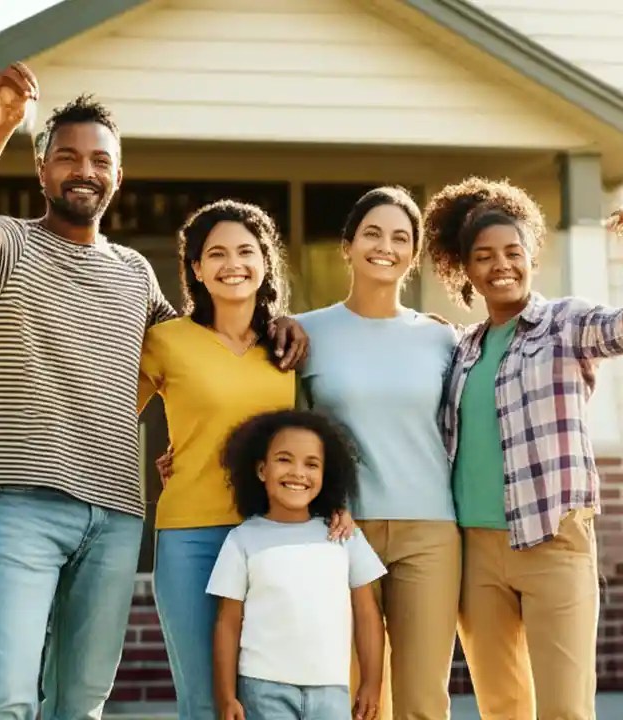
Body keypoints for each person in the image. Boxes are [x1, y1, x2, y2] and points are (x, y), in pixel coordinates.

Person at [0, 62, 307, 720]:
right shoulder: (8, 243)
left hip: (115, 514)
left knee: (80, 704)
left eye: (100, 159)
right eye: (68, 157)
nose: (85, 170)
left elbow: (201, 355)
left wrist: (278, 323)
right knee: (7, 697)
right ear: (43, 169)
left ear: (118, 176)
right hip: (23, 501)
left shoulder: (135, 274)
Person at [424, 176, 623, 720]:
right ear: (466, 269)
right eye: (483, 256)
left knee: (565, 707)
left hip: (554, 535)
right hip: (476, 549)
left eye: (512, 252)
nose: (500, 265)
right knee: (502, 705)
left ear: (531, 256)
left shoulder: (564, 322)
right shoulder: (463, 347)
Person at [140, 199, 353, 720]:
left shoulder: (288, 348)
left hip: (272, 539)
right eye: (215, 254)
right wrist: (160, 461)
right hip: (191, 536)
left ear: (265, 262)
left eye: (245, 251)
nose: (231, 263)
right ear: (195, 269)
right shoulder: (165, 342)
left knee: (263, 698)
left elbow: (318, 437)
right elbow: (110, 415)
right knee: (205, 700)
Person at [294, 186, 461, 720]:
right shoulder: (305, 333)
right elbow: (285, 430)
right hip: (341, 530)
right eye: (372, 233)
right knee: (347, 696)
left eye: (400, 237)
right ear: (347, 245)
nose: (384, 246)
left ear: (413, 255)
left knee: (421, 698)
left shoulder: (442, 341)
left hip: (429, 532)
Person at [208, 410, 385, 720]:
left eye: (311, 464)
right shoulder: (242, 540)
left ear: (325, 474)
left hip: (332, 690)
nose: (298, 472)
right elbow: (227, 622)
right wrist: (226, 697)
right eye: (284, 459)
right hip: (262, 689)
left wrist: (372, 682)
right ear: (262, 470)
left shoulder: (344, 535)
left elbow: (368, 613)